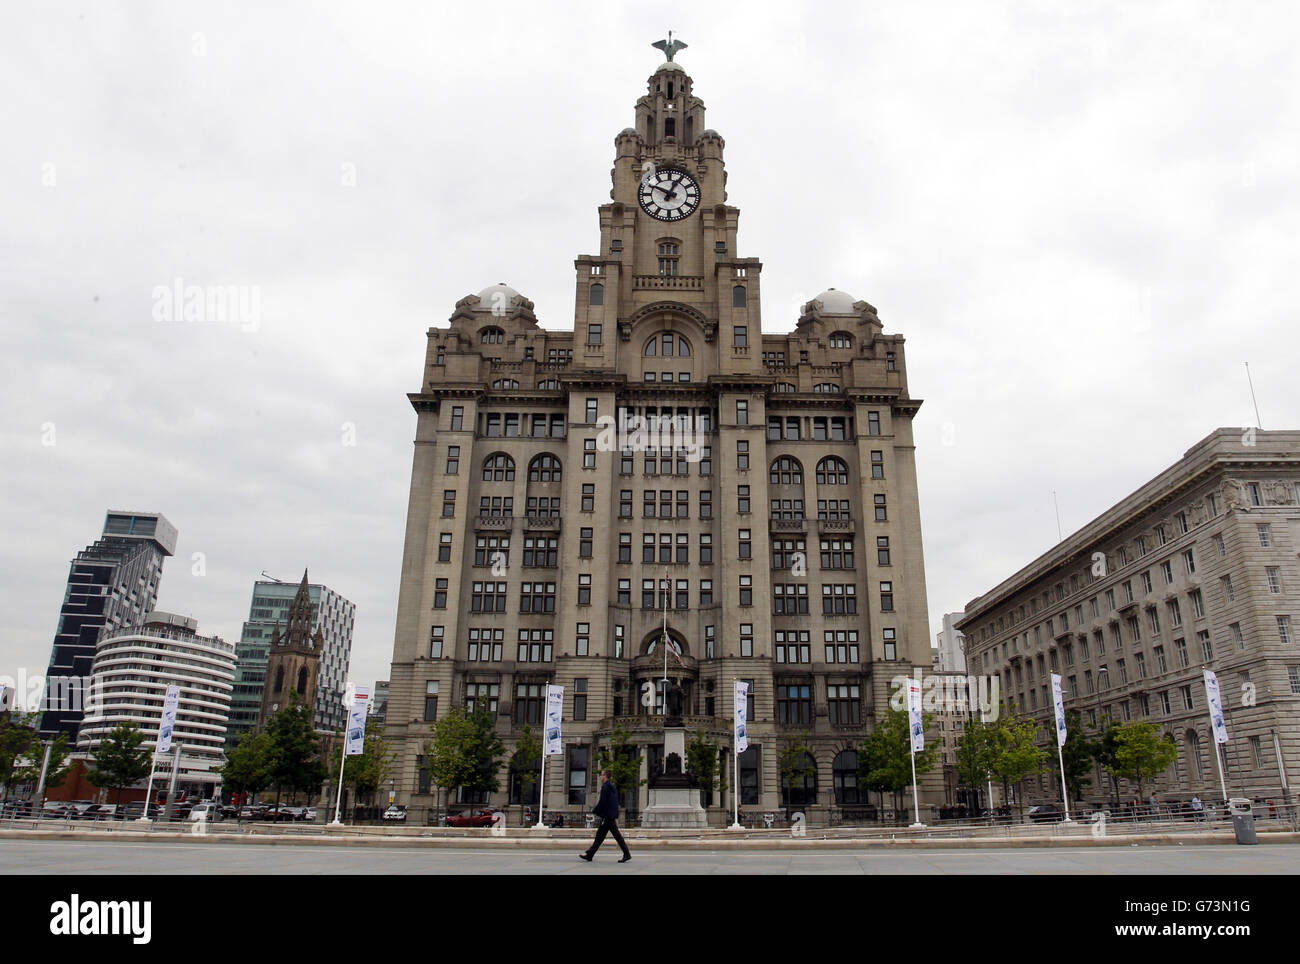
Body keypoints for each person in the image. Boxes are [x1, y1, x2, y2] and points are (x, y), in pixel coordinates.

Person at [580, 770, 631, 863]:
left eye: (602, 775)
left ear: (605, 776)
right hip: (610, 814)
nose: (600, 776)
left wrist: (596, 811)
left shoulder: (605, 787)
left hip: (607, 816)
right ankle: (590, 854)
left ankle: (627, 854)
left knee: (613, 836)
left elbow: (603, 801)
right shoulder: (611, 786)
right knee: (601, 835)